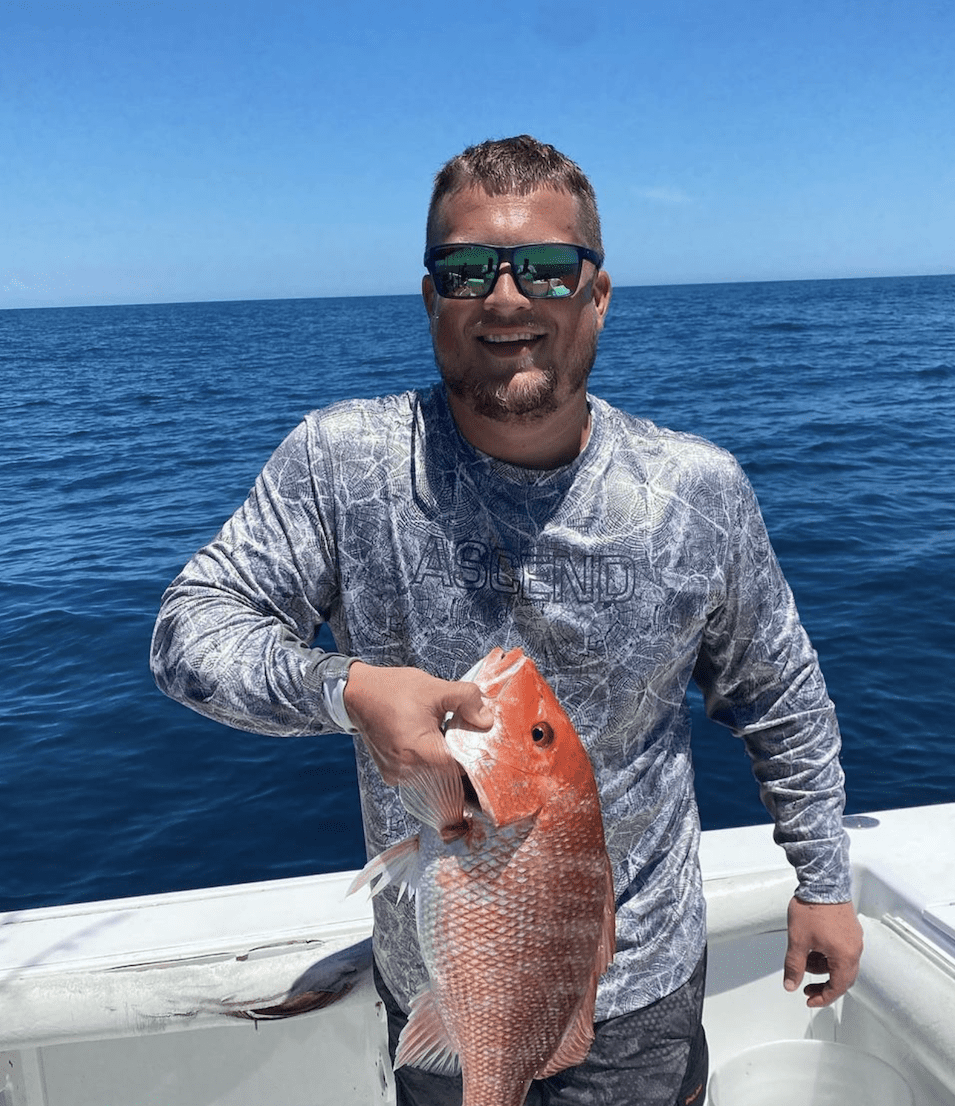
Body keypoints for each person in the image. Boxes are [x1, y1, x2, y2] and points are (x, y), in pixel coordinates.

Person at [151, 135, 862, 1106]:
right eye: (466, 269)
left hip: (642, 991)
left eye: (546, 267)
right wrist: (348, 689)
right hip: (446, 983)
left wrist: (823, 880)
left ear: (597, 296)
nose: (505, 296)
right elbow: (188, 633)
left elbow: (780, 698)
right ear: (430, 298)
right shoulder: (343, 464)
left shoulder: (694, 491)